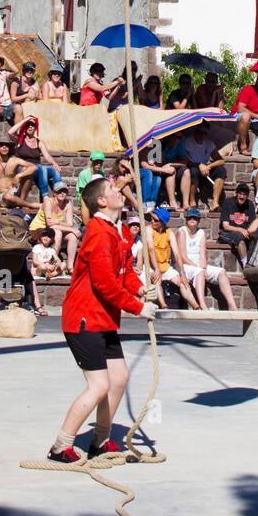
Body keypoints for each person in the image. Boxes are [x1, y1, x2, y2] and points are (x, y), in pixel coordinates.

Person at [47, 177, 156, 464]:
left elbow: (124, 271)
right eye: (112, 190)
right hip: (84, 319)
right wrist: (137, 307)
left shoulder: (120, 230)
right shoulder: (98, 232)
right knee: (99, 385)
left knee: (119, 378)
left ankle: (100, 440)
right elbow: (105, 283)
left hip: (104, 320)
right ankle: (61, 445)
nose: (119, 190)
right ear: (102, 202)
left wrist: (140, 287)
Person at [177, 208, 237, 311]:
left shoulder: (201, 233)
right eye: (190, 218)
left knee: (221, 272)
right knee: (199, 272)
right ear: (186, 219)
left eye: (195, 218)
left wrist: (204, 268)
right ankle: (203, 306)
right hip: (184, 265)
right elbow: (182, 256)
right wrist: (199, 269)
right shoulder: (182, 231)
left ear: (198, 221)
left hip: (198, 265)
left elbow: (203, 254)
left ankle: (232, 305)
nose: (192, 220)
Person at [145, 208, 200, 310]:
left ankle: (196, 306)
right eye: (151, 218)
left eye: (155, 220)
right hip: (151, 265)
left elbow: (177, 254)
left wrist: (182, 274)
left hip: (164, 266)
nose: (152, 221)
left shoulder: (169, 232)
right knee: (157, 281)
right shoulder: (148, 229)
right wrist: (157, 269)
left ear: (162, 222)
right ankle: (163, 305)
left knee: (182, 282)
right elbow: (151, 249)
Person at [7, 116, 65, 199]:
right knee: (42, 168)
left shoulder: (39, 142)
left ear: (35, 128)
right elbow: (10, 132)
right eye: (28, 125)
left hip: (37, 169)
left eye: (33, 125)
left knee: (55, 171)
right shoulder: (20, 140)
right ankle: (45, 195)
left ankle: (58, 193)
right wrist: (25, 120)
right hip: (24, 167)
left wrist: (54, 163)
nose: (30, 127)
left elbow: (47, 156)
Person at [176, 121, 226, 211]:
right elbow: (184, 161)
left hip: (205, 171)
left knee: (221, 170)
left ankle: (215, 202)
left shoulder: (209, 143)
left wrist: (208, 166)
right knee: (193, 171)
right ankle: (192, 201)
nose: (202, 135)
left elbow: (221, 160)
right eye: (200, 132)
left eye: (205, 133)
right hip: (191, 169)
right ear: (195, 131)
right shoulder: (188, 142)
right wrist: (199, 165)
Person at [32, 183, 81, 271]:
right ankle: (52, 263)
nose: (62, 193)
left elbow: (70, 223)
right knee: (57, 232)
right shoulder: (48, 202)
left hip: (54, 230)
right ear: (54, 193)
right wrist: (72, 229)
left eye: (64, 191)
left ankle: (70, 268)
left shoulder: (68, 203)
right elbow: (50, 224)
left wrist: (58, 222)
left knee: (72, 236)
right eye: (59, 191)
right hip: (39, 230)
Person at [218, 182, 256, 266]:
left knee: (257, 236)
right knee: (240, 238)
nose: (242, 197)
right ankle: (245, 265)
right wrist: (241, 230)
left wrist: (249, 232)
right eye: (240, 194)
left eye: (244, 195)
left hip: (244, 233)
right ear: (236, 193)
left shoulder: (250, 205)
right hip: (227, 232)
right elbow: (225, 226)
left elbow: (252, 225)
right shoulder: (227, 203)